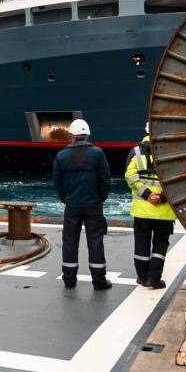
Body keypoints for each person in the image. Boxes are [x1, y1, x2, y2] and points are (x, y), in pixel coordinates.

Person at [53, 119, 112, 290]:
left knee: (70, 242)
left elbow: (57, 182)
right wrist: (101, 198)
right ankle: (99, 281)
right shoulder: (98, 153)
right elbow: (105, 179)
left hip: (72, 206)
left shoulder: (61, 156)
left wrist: (65, 198)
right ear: (87, 135)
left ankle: (69, 280)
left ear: (71, 136)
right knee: (96, 242)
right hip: (93, 205)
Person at [125, 126, 176, 289]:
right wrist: (161, 197)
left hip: (142, 210)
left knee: (142, 243)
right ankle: (154, 278)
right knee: (160, 243)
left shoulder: (135, 152)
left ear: (146, 131)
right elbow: (178, 179)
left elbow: (129, 176)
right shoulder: (172, 152)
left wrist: (147, 194)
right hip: (164, 211)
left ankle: (142, 277)